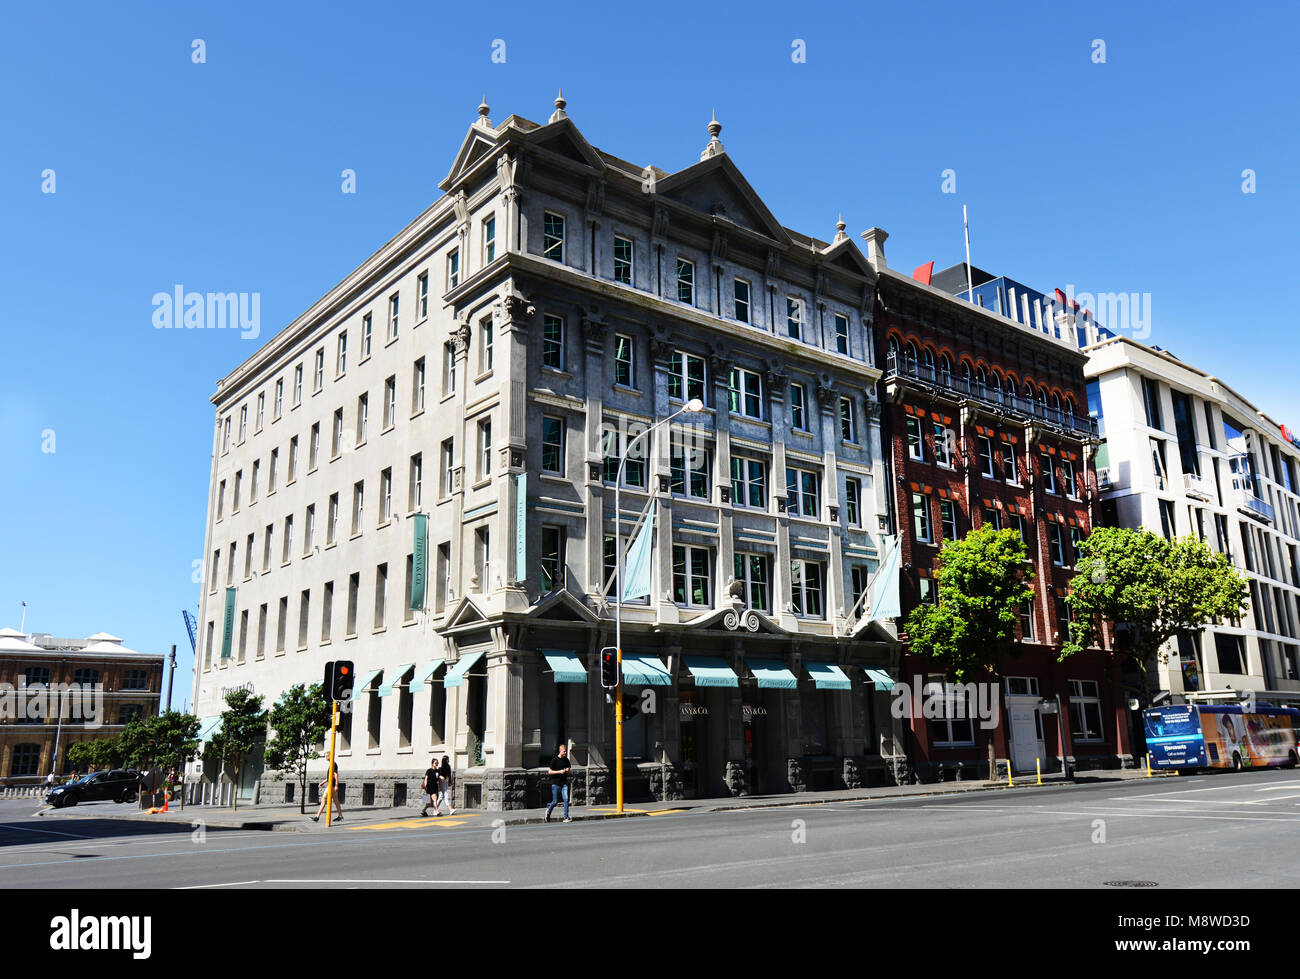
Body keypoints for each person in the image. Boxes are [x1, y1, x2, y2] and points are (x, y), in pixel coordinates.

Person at [545, 742, 572, 823]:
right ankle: (548, 812)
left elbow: (569, 769)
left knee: (566, 800)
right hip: (555, 783)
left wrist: (568, 770)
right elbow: (549, 772)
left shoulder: (566, 760)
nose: (565, 752)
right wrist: (559, 771)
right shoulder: (554, 760)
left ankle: (566, 817)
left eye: (566, 751)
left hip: (564, 783)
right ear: (560, 751)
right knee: (555, 801)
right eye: (564, 751)